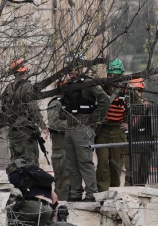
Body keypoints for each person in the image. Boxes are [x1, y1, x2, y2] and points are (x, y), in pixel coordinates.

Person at [58, 58, 110, 202]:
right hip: (69, 127)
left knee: (85, 162)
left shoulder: (88, 83)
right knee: (71, 164)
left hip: (83, 127)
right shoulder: (69, 85)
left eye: (74, 68)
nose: (71, 71)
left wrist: (95, 119)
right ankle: (75, 192)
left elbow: (104, 99)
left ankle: (91, 193)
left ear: (80, 69)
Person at [0, 57, 45, 166]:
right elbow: (33, 108)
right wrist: (43, 126)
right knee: (30, 165)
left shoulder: (9, 88)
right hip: (25, 133)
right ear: (25, 70)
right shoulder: (27, 86)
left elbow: (2, 109)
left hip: (13, 133)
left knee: (16, 165)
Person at [94, 59, 129, 193]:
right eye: (110, 75)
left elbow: (139, 108)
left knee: (115, 164)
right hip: (102, 129)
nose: (112, 78)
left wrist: (130, 124)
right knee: (102, 162)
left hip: (117, 130)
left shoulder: (127, 90)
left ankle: (114, 191)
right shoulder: (101, 88)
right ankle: (102, 191)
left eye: (115, 75)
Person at [5, 158, 58, 226]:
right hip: (48, 209)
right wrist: (54, 218)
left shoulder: (15, 176)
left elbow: (7, 195)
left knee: (3, 215)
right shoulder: (39, 177)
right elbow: (55, 197)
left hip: (33, 206)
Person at [126, 77, 154, 186]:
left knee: (144, 174)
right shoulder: (127, 105)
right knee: (132, 175)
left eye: (140, 91)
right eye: (135, 91)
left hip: (146, 144)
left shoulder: (147, 105)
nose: (138, 94)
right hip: (133, 145)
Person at [46, 91, 73, 201]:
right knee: (63, 180)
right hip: (61, 147)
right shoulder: (56, 103)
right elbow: (53, 123)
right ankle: (61, 205)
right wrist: (74, 123)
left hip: (73, 147)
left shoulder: (72, 101)